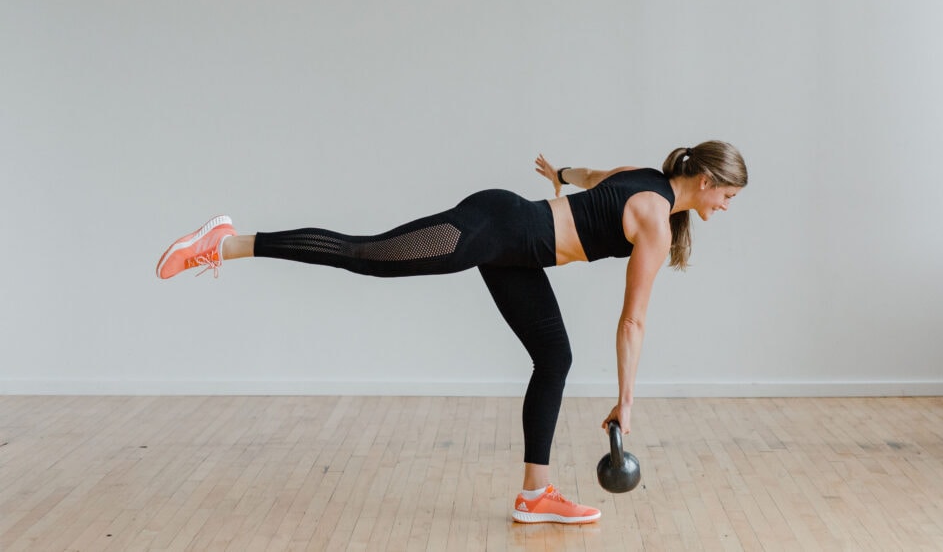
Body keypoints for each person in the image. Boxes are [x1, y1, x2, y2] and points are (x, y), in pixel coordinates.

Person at [155, 140, 748, 524]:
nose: (727, 206)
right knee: (367, 254)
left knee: (555, 357)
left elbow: (592, 174)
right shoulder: (654, 224)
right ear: (706, 180)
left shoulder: (646, 176)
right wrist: (626, 401)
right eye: (728, 195)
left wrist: (558, 173)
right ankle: (227, 242)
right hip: (494, 230)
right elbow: (633, 319)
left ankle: (534, 492)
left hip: (516, 247)